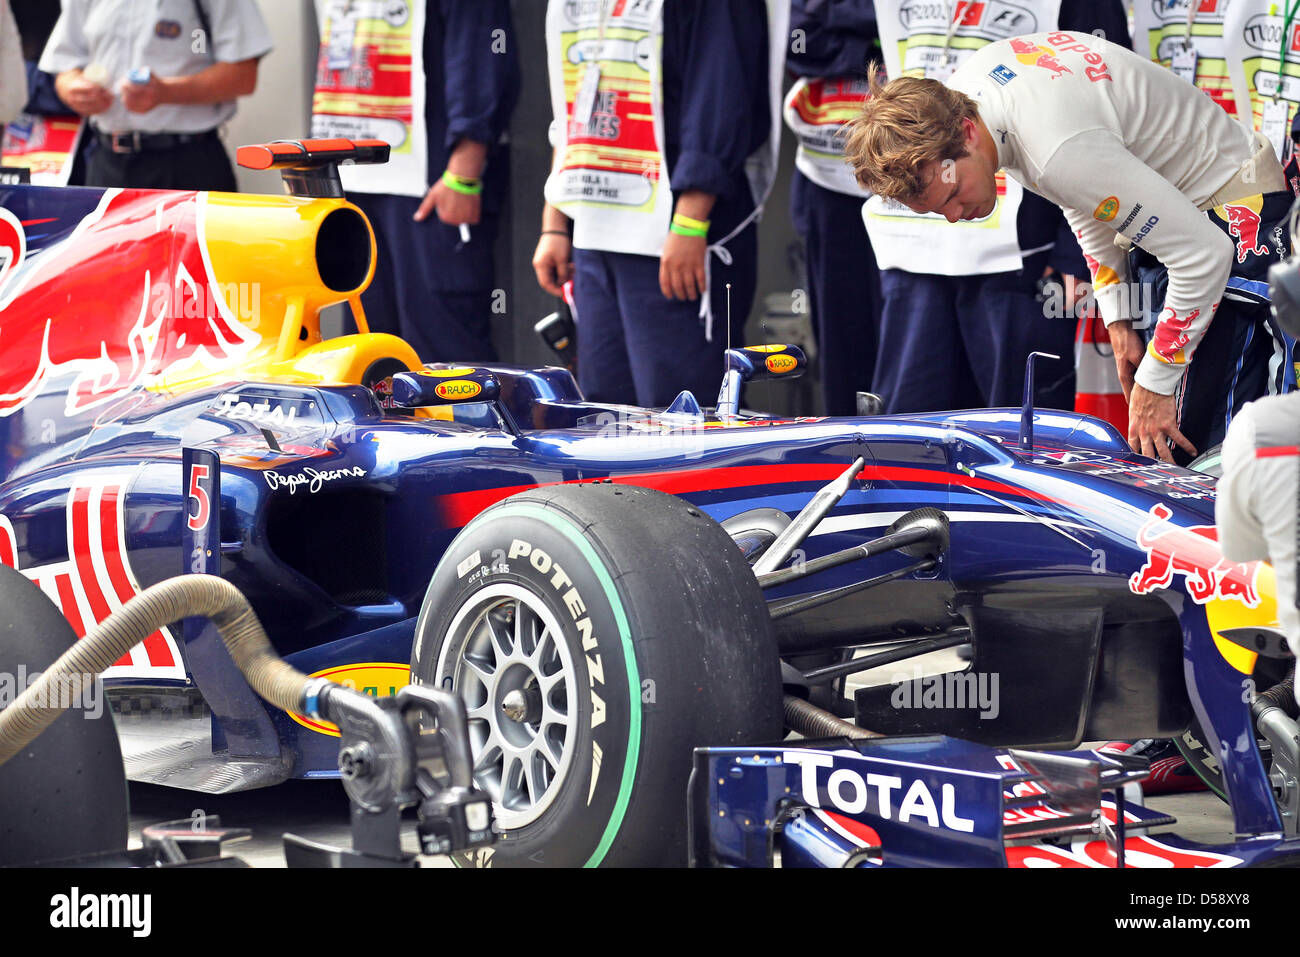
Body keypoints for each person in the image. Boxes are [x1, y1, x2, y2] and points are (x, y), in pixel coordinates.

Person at [846, 30, 1293, 464]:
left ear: (965, 132)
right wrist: (1119, 320)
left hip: (1236, 228)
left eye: (952, 195)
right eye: (937, 211)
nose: (954, 216)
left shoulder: (1052, 148)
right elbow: (1084, 198)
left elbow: (1203, 256)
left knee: (1211, 463)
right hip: (1203, 217)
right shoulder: (973, 93)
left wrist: (1156, 385)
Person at [857, 2, 1129, 420]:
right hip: (912, 246)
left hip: (1022, 254)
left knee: (1022, 432)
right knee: (911, 429)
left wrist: (1072, 255)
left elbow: (1104, 98)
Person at [532, 0, 785, 408]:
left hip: (677, 235)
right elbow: (573, 104)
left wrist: (690, 220)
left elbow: (722, 93)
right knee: (604, 412)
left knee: (684, 412)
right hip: (595, 230)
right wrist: (555, 220)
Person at [312, 0, 519, 364]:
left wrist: (463, 172)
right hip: (352, 179)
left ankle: (464, 425)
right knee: (370, 355)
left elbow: (480, 47)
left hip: (430, 182)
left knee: (443, 356)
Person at [39, 0, 272, 191]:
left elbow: (243, 75)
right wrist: (73, 89)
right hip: (107, 164)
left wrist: (167, 93)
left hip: (187, 164)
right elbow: (65, 66)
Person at [784, 0, 882, 417]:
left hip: (911, 175)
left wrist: (838, 25)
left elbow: (907, 34)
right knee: (841, 349)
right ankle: (848, 458)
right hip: (826, 178)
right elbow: (797, 44)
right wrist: (869, 44)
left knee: (907, 346)